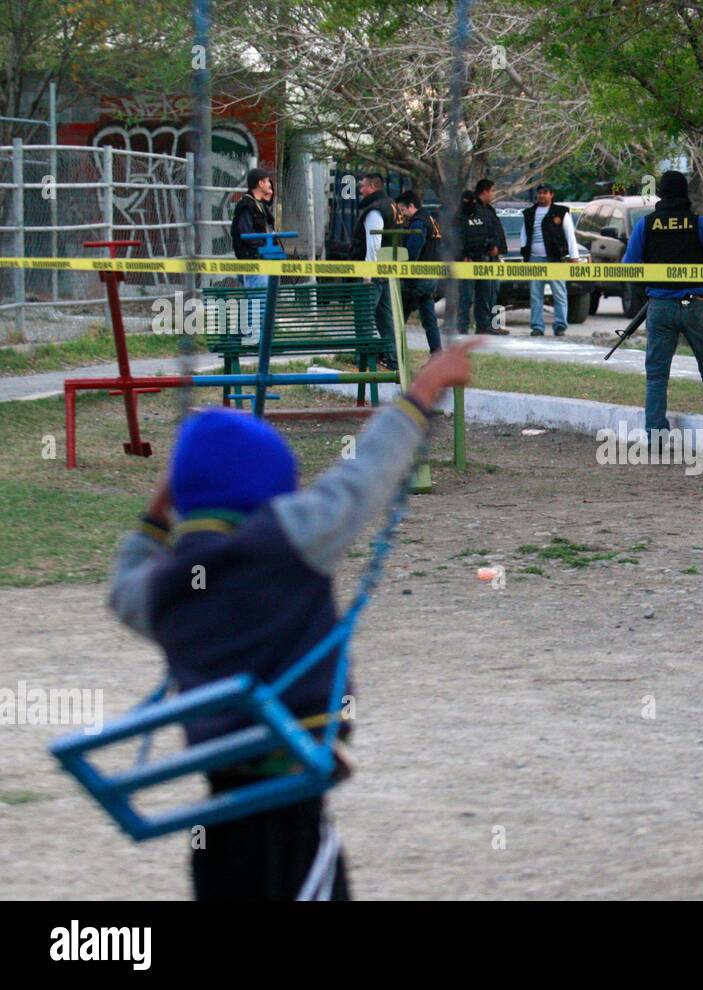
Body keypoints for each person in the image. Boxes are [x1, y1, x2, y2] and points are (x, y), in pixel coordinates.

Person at [106, 341, 482, 899]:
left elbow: (121, 587)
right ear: (272, 489)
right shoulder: (288, 540)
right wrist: (425, 388)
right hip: (286, 808)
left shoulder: (162, 589)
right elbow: (365, 477)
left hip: (221, 809)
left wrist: (159, 508)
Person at [622, 170, 703, 437]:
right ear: (685, 193)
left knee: (657, 375)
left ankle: (655, 435)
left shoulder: (646, 225)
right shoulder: (701, 224)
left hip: (659, 306)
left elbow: (629, 266)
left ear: (660, 193)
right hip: (694, 305)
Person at [350, 173, 401, 369]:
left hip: (372, 272)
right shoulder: (393, 206)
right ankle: (393, 360)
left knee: (363, 317)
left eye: (363, 186)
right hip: (387, 271)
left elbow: (374, 244)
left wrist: (367, 273)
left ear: (372, 187)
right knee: (386, 319)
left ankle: (363, 360)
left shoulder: (375, 210)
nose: (360, 190)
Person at [522, 183, 580, 337]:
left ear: (551, 195)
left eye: (545, 193)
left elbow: (570, 235)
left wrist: (574, 257)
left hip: (555, 259)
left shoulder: (561, 212)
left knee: (559, 293)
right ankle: (537, 327)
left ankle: (560, 326)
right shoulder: (529, 213)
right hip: (534, 259)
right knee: (535, 295)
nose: (541, 196)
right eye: (539, 193)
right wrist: (525, 256)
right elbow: (524, 235)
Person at [229, 167, 278, 340]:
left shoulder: (260, 205)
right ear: (260, 183)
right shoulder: (246, 204)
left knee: (260, 300)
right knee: (258, 300)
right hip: (253, 259)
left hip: (263, 259)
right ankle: (251, 338)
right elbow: (245, 233)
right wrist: (263, 245)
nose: (269, 184)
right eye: (267, 181)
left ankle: (254, 338)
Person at [395, 190, 444, 353]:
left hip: (417, 278)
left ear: (411, 206)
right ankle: (437, 353)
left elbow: (412, 252)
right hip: (431, 276)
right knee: (429, 319)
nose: (402, 215)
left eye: (402, 210)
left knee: (398, 317)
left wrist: (402, 268)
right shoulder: (431, 219)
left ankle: (391, 353)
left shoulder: (418, 222)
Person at [457, 181, 508, 335]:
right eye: (492, 191)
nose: (493, 194)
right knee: (466, 296)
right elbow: (460, 236)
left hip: (488, 259)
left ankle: (486, 326)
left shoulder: (488, 211)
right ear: (485, 191)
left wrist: (495, 247)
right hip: (470, 260)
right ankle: (463, 327)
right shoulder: (469, 211)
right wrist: (463, 255)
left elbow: (493, 233)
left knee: (488, 295)